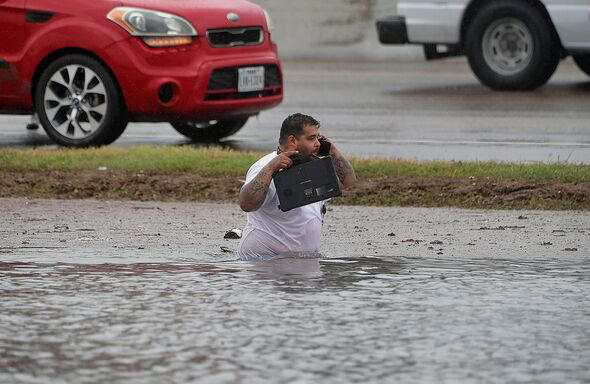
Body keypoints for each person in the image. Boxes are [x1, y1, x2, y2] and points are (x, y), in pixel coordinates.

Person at [237, 113, 356, 260]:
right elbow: (247, 204)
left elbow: (348, 182)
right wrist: (270, 169)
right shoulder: (264, 166)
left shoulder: (315, 165)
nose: (318, 143)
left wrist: (332, 150)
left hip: (303, 266)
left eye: (318, 138)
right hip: (262, 264)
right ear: (292, 140)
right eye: (311, 138)